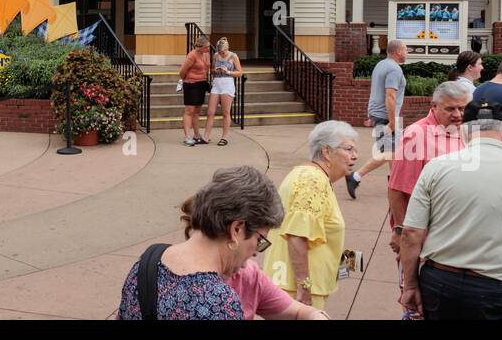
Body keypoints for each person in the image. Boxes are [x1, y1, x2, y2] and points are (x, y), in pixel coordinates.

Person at [399, 100, 502, 320]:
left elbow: (411, 233)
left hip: (439, 283)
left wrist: (410, 284)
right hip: (497, 292)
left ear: (463, 132)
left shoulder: (436, 168)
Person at [118, 165, 285, 320]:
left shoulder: (146, 263)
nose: (256, 251)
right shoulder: (219, 304)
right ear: (236, 229)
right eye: (260, 239)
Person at [386, 81, 471, 317]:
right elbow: (397, 189)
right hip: (421, 236)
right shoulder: (416, 135)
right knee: (416, 303)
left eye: (462, 108)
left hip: (452, 236)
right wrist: (401, 231)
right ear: (434, 106)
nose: (458, 114)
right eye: (451, 109)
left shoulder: (463, 132)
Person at [264, 121, 359, 310]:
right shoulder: (312, 180)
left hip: (296, 286)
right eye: (349, 149)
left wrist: (352, 263)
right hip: (296, 292)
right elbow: (297, 236)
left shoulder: (310, 176)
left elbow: (326, 238)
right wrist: (304, 289)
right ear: (326, 152)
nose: (355, 156)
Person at [345, 38, 406, 198]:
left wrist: (371, 113)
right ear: (398, 51)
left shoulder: (381, 64)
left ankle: (395, 183)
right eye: (406, 50)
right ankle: (355, 177)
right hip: (386, 116)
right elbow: (390, 96)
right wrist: (392, 122)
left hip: (380, 114)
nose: (407, 53)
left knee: (394, 151)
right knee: (388, 153)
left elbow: (375, 90)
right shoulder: (394, 69)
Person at [202, 37, 241, 146]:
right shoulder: (215, 56)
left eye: (223, 52)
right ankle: (206, 136)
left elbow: (239, 72)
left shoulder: (233, 56)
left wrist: (228, 71)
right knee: (210, 112)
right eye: (219, 52)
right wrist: (216, 71)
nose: (221, 54)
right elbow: (212, 70)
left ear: (226, 49)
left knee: (225, 112)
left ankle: (224, 137)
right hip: (217, 83)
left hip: (227, 83)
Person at [177, 34, 211, 146]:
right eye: (206, 47)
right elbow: (182, 71)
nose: (208, 49)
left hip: (202, 84)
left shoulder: (205, 54)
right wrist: (186, 80)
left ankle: (197, 135)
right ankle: (187, 137)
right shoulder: (192, 55)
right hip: (191, 85)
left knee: (197, 111)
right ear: (200, 46)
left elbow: (207, 67)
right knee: (189, 111)